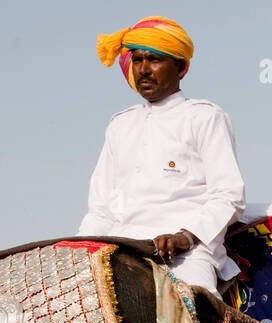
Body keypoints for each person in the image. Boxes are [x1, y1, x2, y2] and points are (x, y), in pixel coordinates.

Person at [78, 16, 246, 293]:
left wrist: (185, 237)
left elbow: (229, 196)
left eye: (154, 60)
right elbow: (101, 208)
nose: (143, 69)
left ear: (181, 67)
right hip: (122, 249)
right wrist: (79, 248)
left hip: (187, 255)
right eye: (137, 60)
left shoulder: (204, 117)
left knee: (190, 310)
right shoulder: (120, 125)